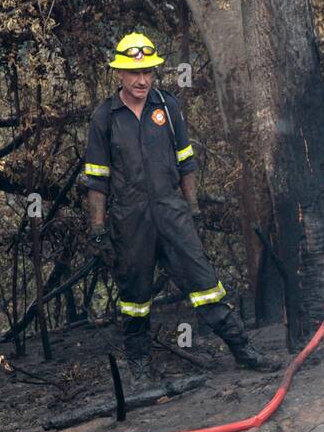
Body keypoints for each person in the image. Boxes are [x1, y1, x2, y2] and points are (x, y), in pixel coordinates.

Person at [83, 32, 276, 383]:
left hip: (173, 212)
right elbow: (97, 179)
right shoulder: (104, 118)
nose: (142, 80)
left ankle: (243, 350)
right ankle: (140, 367)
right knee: (135, 296)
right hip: (130, 220)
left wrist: (194, 209)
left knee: (205, 283)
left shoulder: (168, 108)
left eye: (148, 72)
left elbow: (186, 163)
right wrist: (97, 230)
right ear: (120, 75)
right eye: (133, 73)